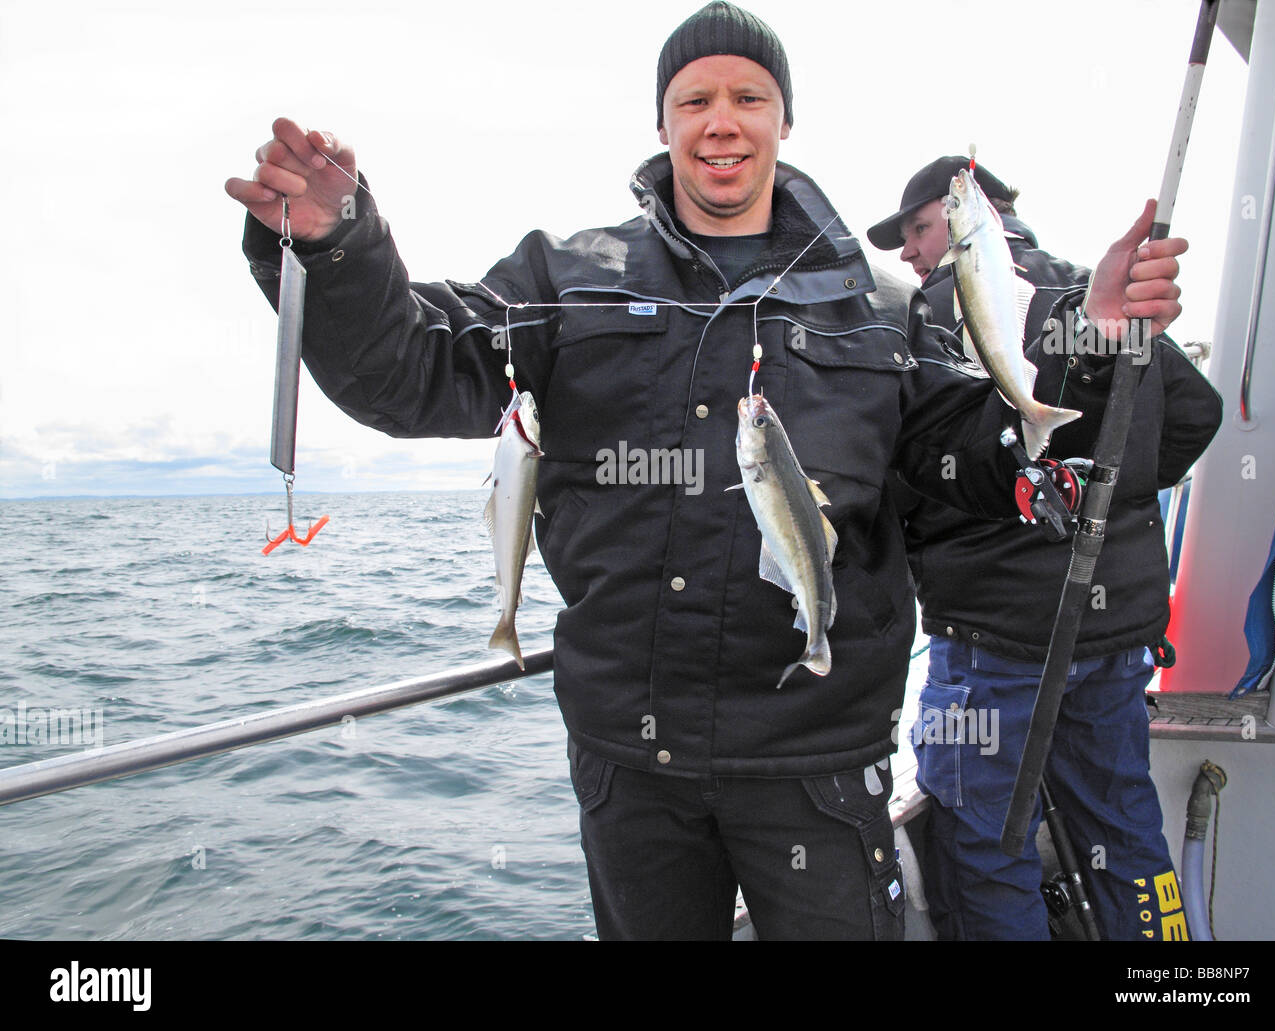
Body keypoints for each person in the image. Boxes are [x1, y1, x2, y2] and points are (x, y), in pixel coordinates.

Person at [226, 4, 1190, 940]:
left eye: (747, 96)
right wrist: (336, 244)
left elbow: (974, 452)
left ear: (783, 119)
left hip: (817, 762)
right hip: (629, 768)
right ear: (661, 122)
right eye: (694, 100)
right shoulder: (566, 278)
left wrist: (1087, 344)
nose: (721, 121)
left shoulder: (881, 305)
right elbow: (414, 371)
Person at [868, 156, 1222, 940]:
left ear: (975, 217)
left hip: (995, 641)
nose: (911, 253)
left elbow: (908, 458)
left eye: (920, 228)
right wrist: (1109, 495)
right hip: (1117, 636)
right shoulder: (1099, 296)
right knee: (1124, 829)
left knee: (989, 846)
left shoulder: (934, 311)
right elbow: (1196, 412)